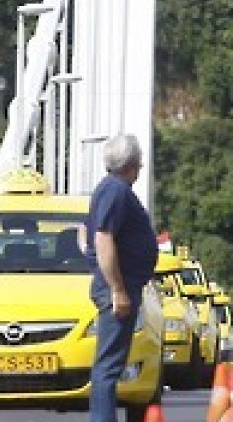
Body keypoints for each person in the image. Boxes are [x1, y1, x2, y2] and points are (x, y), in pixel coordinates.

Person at [85, 134, 158, 421]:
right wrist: (118, 289)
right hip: (117, 286)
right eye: (139, 163)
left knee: (110, 364)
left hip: (122, 283)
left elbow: (91, 235)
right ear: (132, 165)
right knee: (108, 366)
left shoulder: (111, 190)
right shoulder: (115, 191)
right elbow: (103, 238)